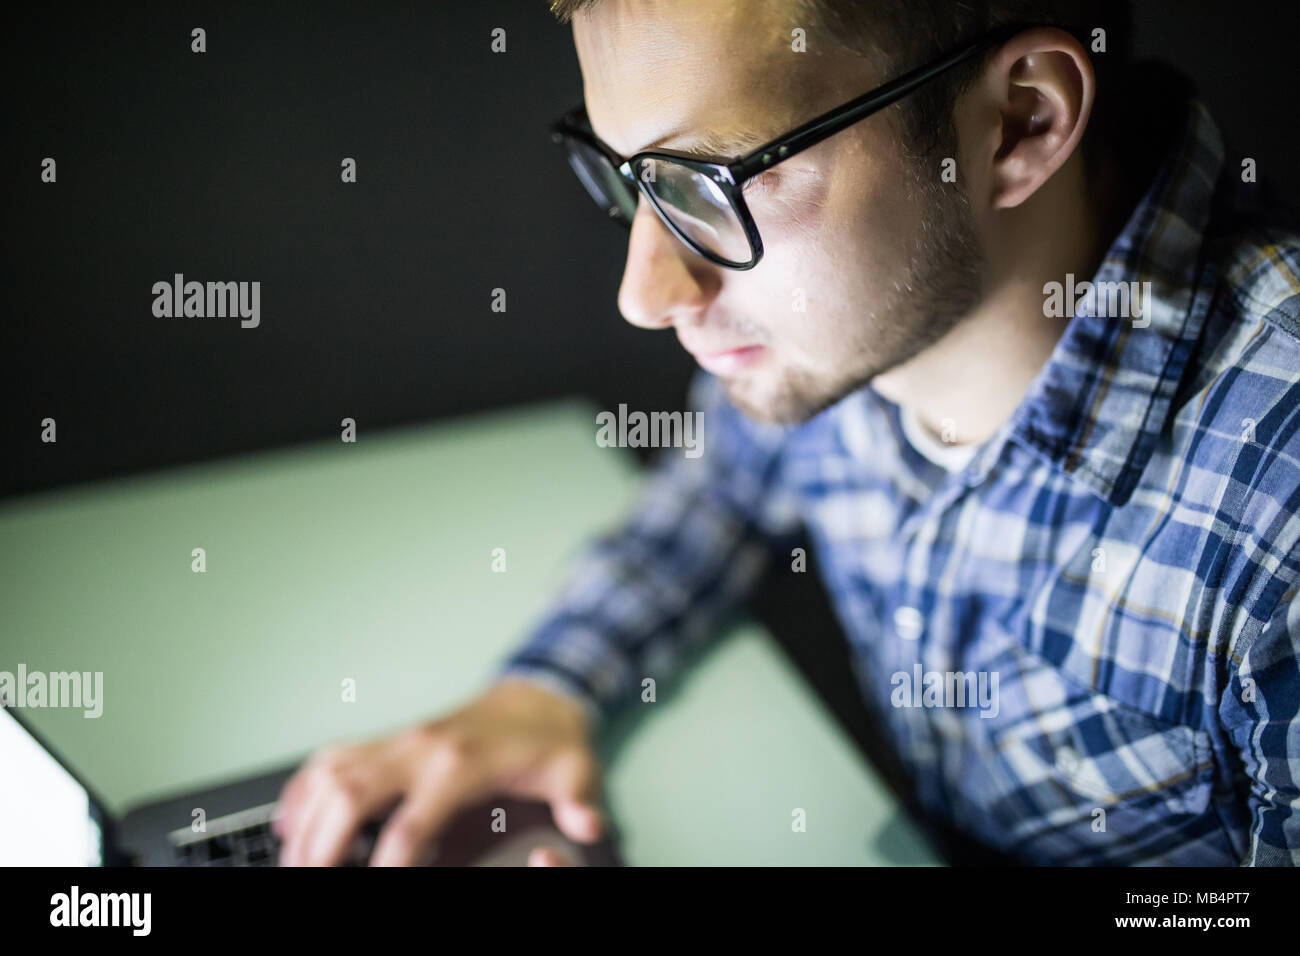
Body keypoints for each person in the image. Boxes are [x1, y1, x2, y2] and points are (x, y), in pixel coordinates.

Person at [274, 0, 1300, 866]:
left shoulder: (1279, 513)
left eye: (711, 180)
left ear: (1018, 123)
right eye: (634, 179)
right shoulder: (825, 341)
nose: (646, 292)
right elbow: (709, 500)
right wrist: (540, 691)